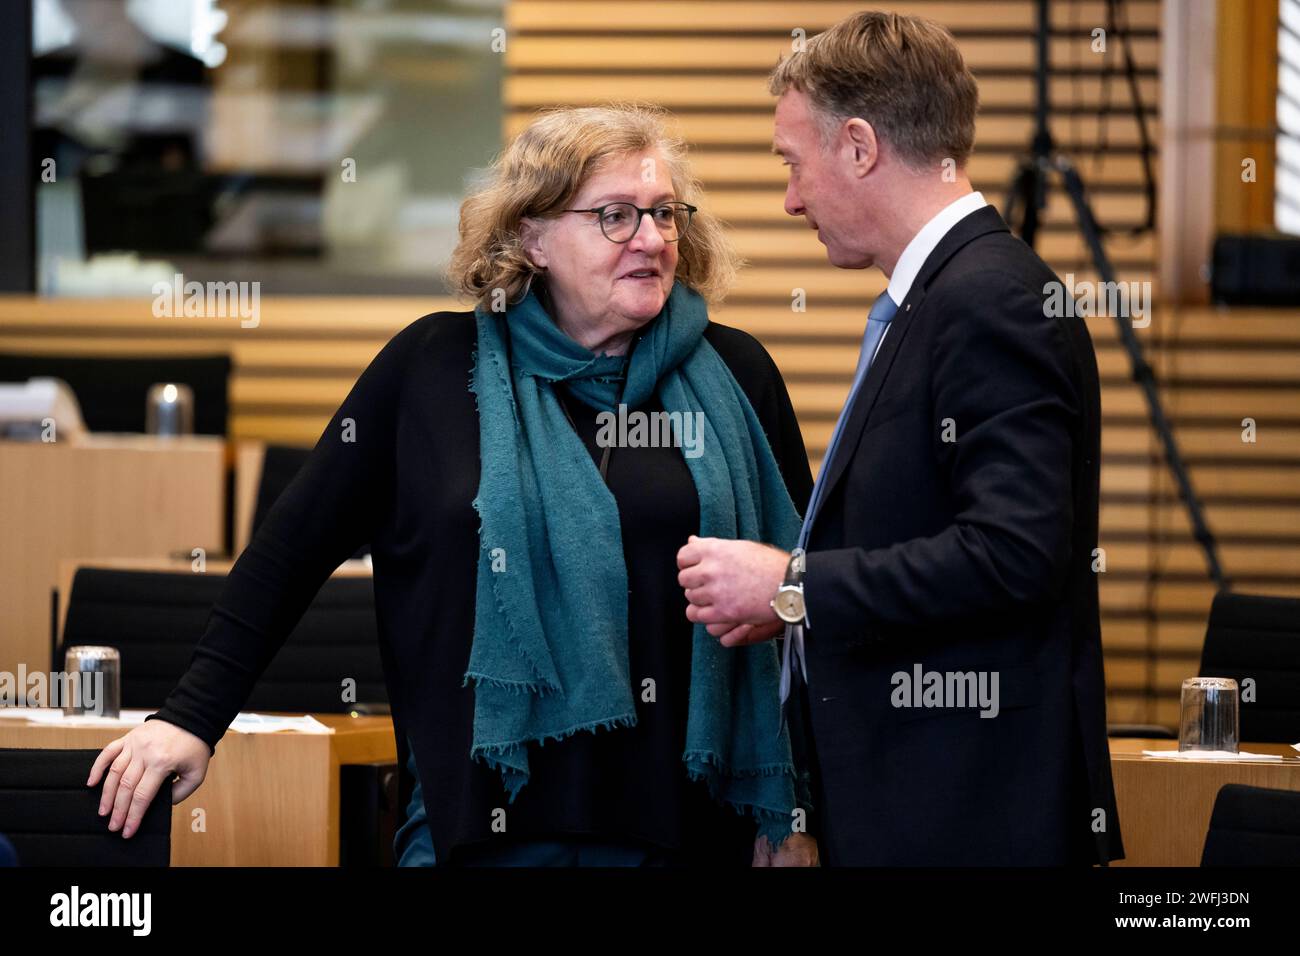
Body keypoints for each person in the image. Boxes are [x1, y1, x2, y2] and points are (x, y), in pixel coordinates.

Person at [86, 103, 820, 867]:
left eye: (665, 213)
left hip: (690, 834)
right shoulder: (432, 369)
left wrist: (797, 805)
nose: (651, 238)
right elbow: (287, 555)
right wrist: (190, 718)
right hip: (480, 827)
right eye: (615, 216)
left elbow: (802, 599)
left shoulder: (736, 377)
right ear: (532, 236)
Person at [677, 11, 1124, 865]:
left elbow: (1015, 554)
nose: (790, 198)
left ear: (857, 146)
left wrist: (791, 585)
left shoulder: (987, 298)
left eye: (793, 164)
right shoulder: (949, 293)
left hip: (969, 818)